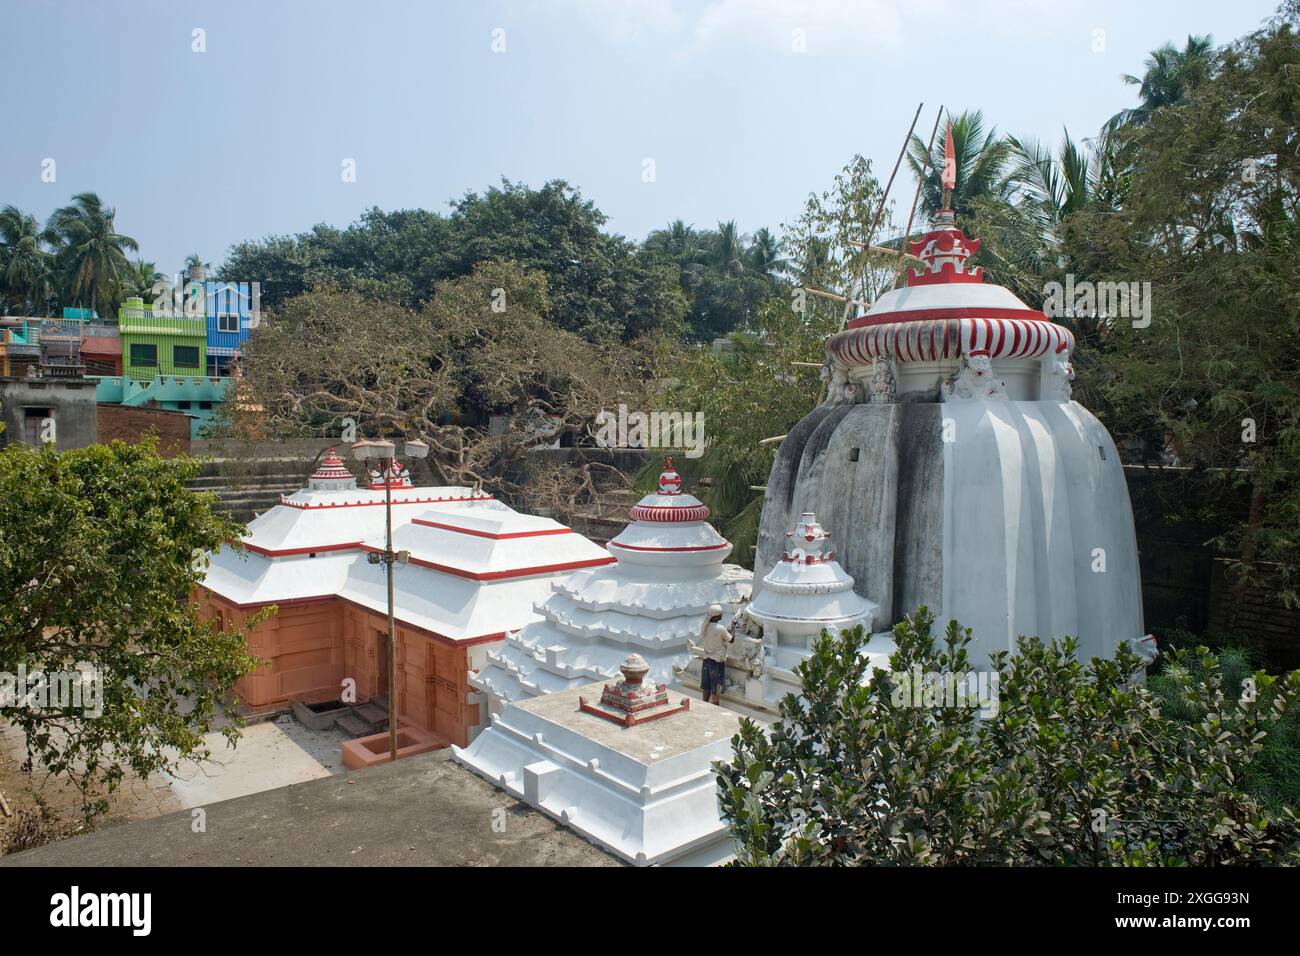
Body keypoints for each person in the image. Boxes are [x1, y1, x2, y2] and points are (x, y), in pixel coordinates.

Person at [695, 604, 733, 706]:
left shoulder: (705, 627)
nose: (722, 616)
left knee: (706, 687)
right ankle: (715, 708)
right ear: (716, 617)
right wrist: (733, 628)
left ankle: (704, 705)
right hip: (716, 663)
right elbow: (731, 640)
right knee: (715, 688)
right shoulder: (721, 628)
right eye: (721, 614)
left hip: (706, 661)